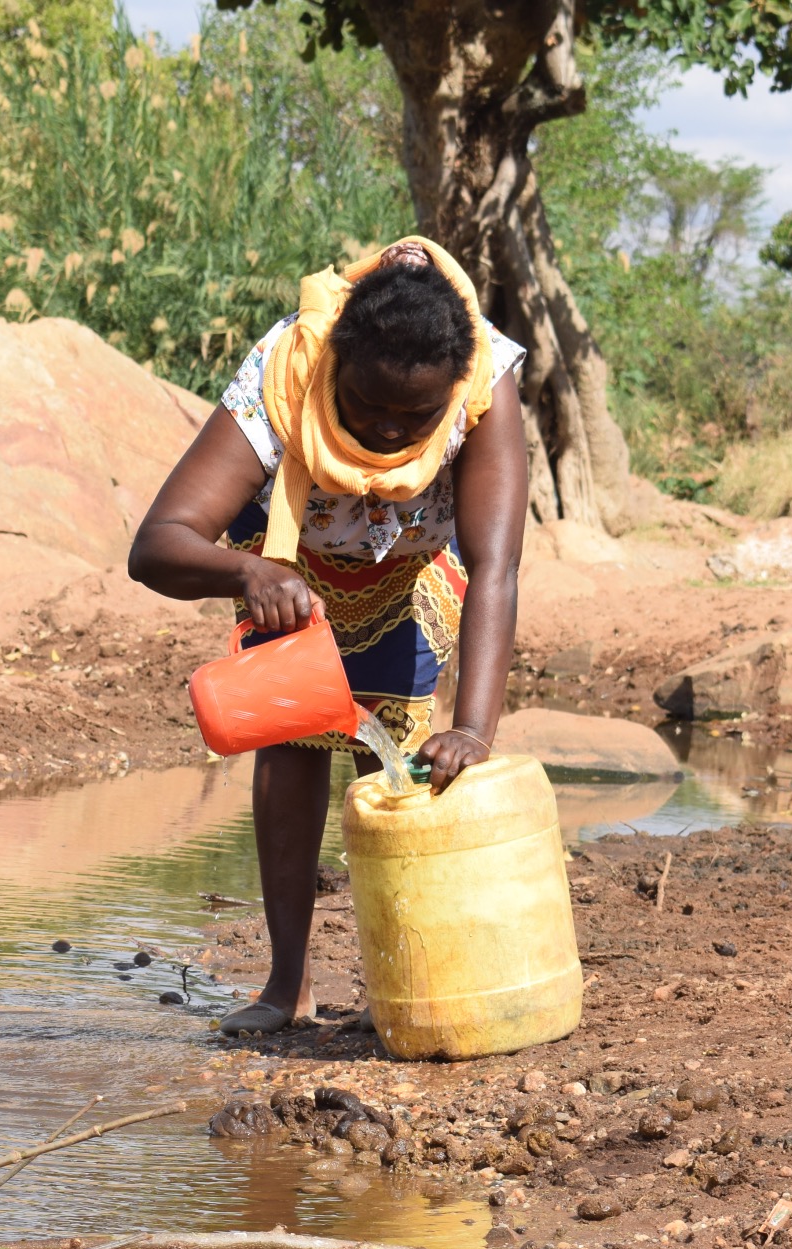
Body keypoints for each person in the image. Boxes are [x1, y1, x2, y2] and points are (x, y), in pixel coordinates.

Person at [128, 237, 529, 1037]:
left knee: (414, 768)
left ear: (451, 389)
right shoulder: (288, 367)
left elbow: (497, 568)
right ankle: (288, 986)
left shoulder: (484, 378)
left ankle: (412, 984)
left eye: (412, 416)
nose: (385, 432)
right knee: (290, 746)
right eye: (364, 405)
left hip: (410, 569)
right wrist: (248, 577)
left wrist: (476, 731)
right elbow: (157, 542)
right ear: (334, 367)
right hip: (291, 567)